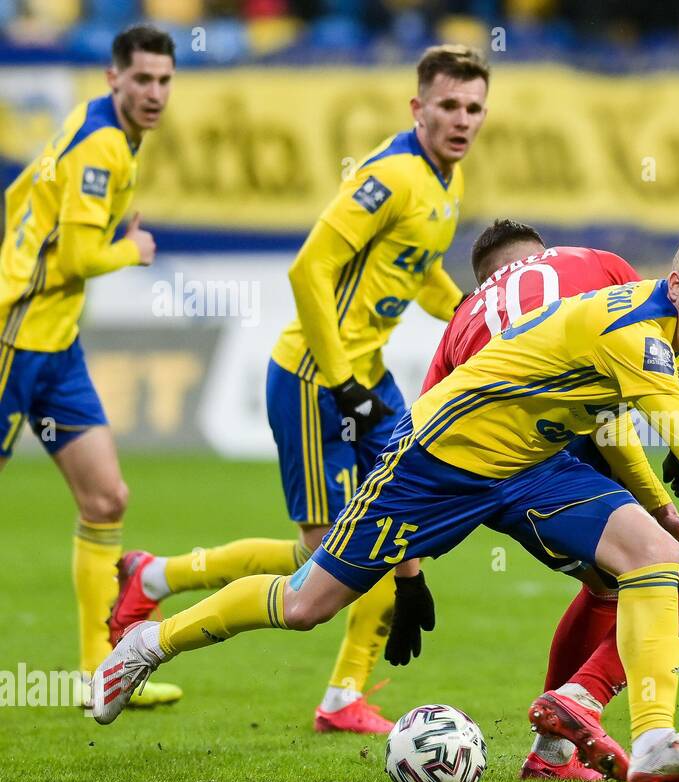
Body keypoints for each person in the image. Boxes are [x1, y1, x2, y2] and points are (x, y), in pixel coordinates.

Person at [93, 227, 679, 782]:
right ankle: (150, 644)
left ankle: (651, 741)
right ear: (675, 284)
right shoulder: (630, 329)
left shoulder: (650, 327)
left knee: (651, 554)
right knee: (305, 603)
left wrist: (662, 509)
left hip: (532, 468)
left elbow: (614, 425)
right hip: (432, 465)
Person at [106, 44, 488, 733]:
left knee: (401, 529)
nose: (462, 119)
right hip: (317, 380)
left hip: (369, 379)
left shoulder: (447, 182)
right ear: (418, 108)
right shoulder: (391, 176)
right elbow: (308, 271)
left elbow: (422, 270)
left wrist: (471, 315)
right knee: (327, 557)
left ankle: (343, 698)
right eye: (449, 106)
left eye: (473, 108)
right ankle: (156, 577)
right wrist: (340, 379)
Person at [401, 218, 679, 782]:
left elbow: (418, 452)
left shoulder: (465, 322)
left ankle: (553, 752)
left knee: (607, 584)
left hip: (501, 472)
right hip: (562, 458)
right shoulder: (591, 269)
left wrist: (409, 576)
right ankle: (578, 706)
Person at [0, 24, 181, 708]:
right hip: (14, 337)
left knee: (106, 500)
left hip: (55, 345)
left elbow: (22, 195)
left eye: (165, 80)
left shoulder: (97, 124)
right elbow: (78, 260)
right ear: (115, 78)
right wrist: (130, 249)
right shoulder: (103, 143)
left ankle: (97, 673)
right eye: (142, 80)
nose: (155, 93)